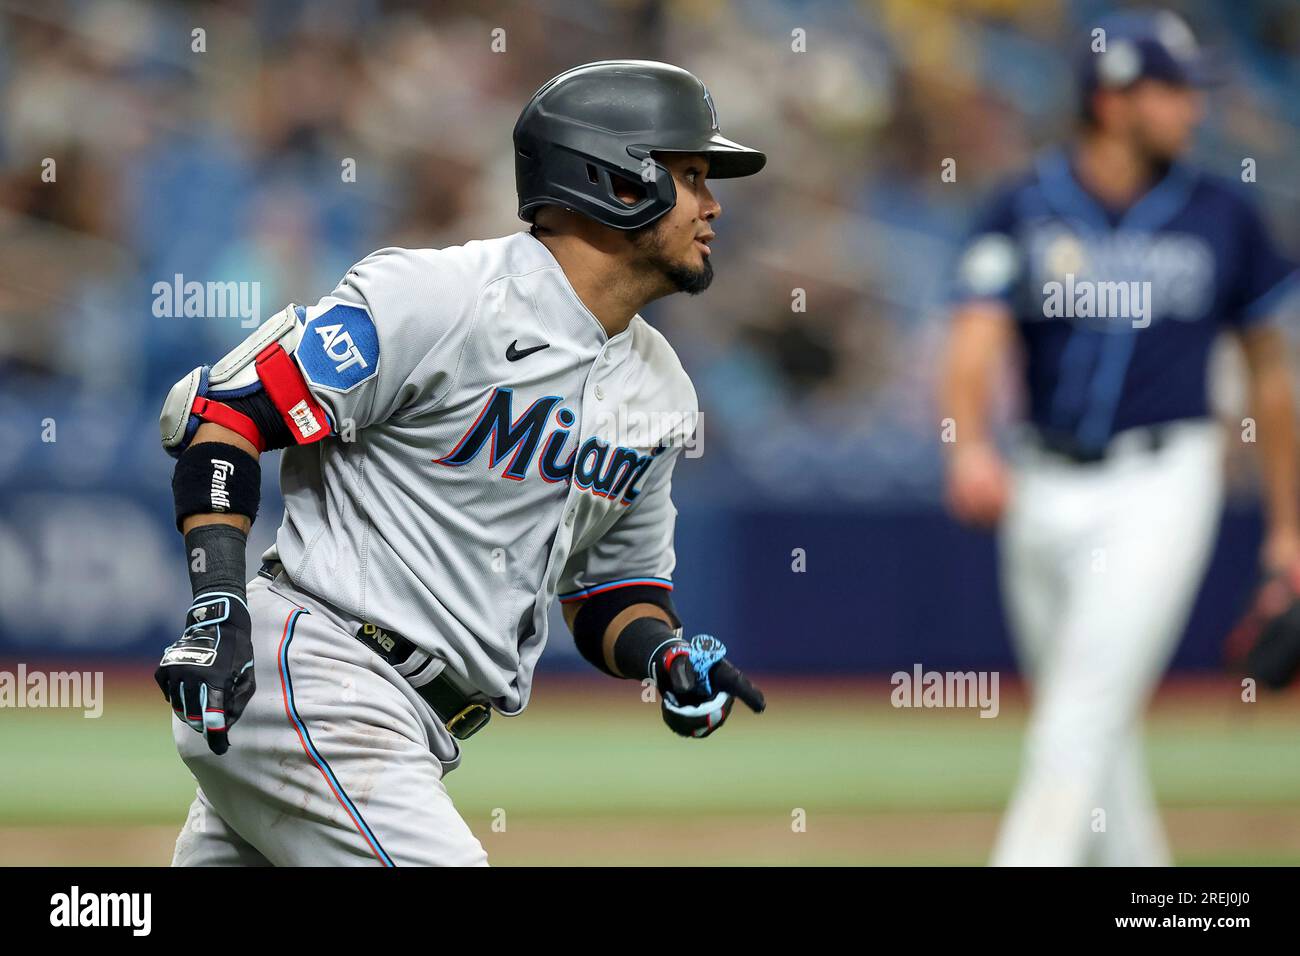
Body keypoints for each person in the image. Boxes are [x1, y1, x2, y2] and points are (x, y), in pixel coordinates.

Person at [153, 60, 767, 866]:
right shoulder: (439, 297)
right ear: (619, 180)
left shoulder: (661, 389)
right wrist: (216, 602)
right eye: (690, 176)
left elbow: (613, 591)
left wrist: (663, 652)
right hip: (320, 673)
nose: (714, 205)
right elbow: (222, 411)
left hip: (411, 722)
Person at [940, 11, 1298, 866]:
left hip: (1163, 480)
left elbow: (1271, 383)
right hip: (1042, 480)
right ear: (1113, 99)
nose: (1194, 110)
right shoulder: (1025, 206)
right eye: (1173, 91)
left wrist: (1289, 531)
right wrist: (968, 446)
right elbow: (974, 340)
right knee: (1095, 725)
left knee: (1078, 717)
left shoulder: (1223, 214)